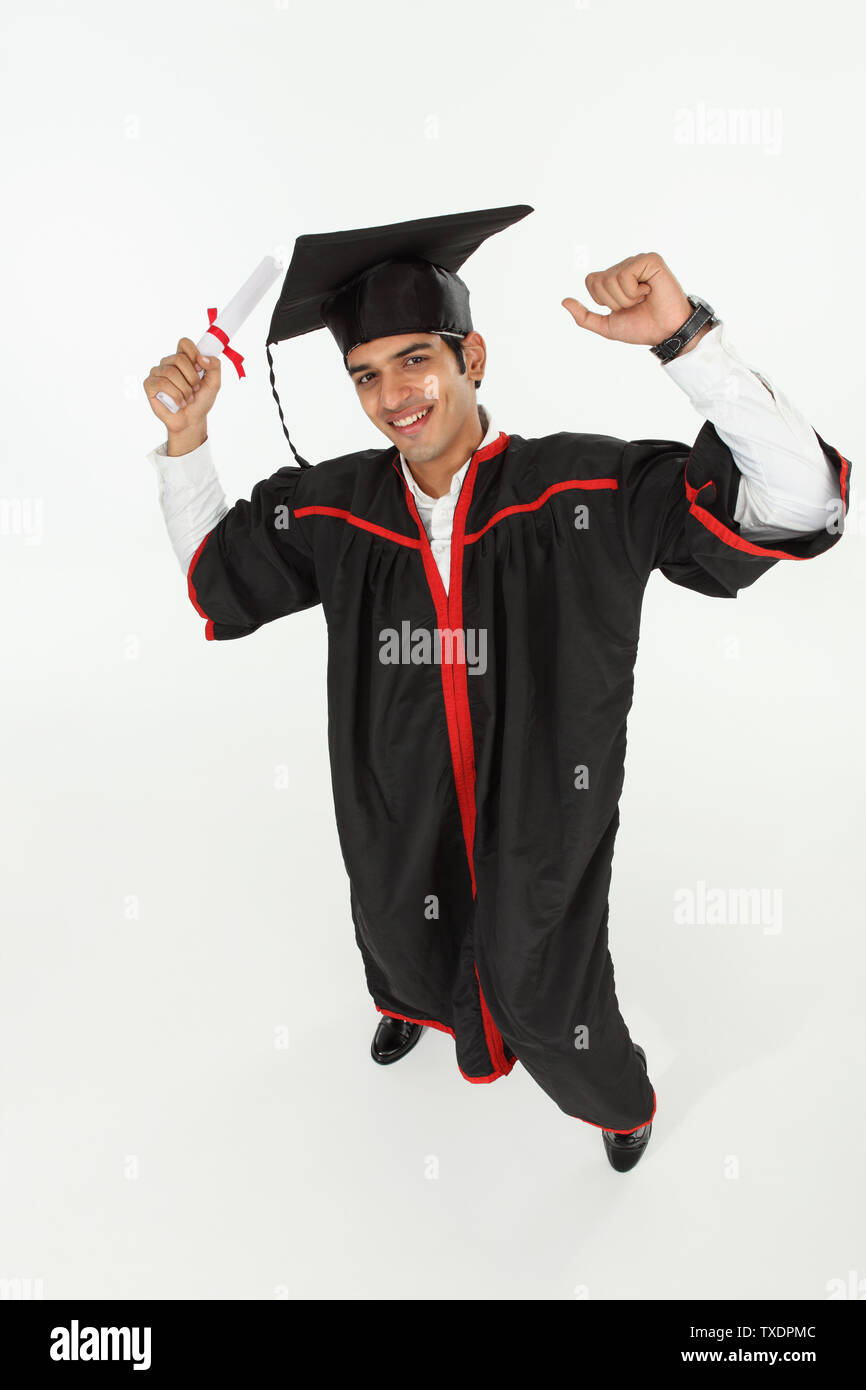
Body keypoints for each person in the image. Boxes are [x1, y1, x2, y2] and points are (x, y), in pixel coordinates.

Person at [143, 209, 850, 1172]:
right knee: (398, 920)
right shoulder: (338, 507)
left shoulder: (581, 490)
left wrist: (688, 344)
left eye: (415, 359)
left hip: (539, 815)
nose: (394, 395)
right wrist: (188, 440)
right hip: (391, 801)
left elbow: (798, 503)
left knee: (544, 983)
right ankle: (409, 1007)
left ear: (472, 354)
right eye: (366, 374)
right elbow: (216, 576)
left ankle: (620, 1102)